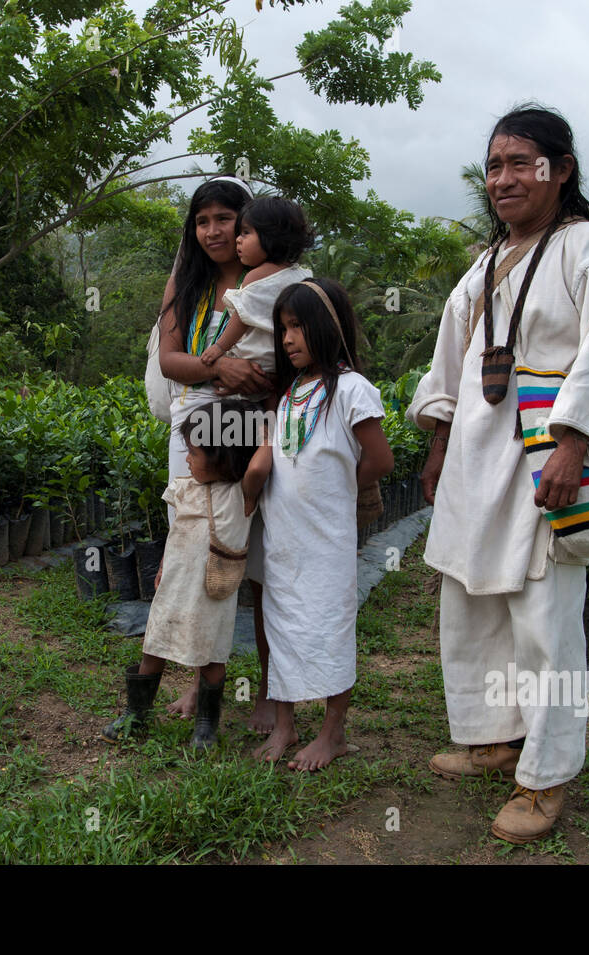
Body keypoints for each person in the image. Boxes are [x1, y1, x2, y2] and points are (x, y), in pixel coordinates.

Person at [407, 105, 589, 843]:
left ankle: (545, 777)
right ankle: (494, 737)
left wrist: (575, 445)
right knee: (472, 603)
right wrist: (438, 444)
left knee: (544, 621)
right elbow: (452, 361)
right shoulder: (481, 266)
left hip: (544, 461)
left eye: (520, 163)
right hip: (477, 460)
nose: (503, 178)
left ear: (560, 170)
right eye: (495, 165)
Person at [250, 278, 394, 771]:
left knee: (331, 628)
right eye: (283, 328)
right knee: (283, 625)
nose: (287, 338)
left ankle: (332, 733)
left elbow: (379, 459)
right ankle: (286, 725)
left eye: (297, 326)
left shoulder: (352, 388)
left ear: (325, 327)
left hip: (328, 540)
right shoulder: (290, 393)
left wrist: (340, 495)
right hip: (283, 539)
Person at [157, 176, 278, 732]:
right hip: (197, 435)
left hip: (257, 427)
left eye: (224, 219)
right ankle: (195, 684)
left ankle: (269, 693)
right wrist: (219, 366)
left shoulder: (272, 283)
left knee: (260, 565)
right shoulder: (187, 283)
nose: (212, 231)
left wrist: (245, 377)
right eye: (202, 221)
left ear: (246, 222)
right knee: (199, 552)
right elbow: (169, 361)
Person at [102, 399, 269, 749]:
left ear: (223, 454)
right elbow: (176, 533)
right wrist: (163, 566)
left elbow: (257, 468)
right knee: (154, 646)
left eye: (194, 452)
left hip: (212, 593)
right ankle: (137, 714)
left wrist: (264, 433)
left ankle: (206, 727)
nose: (188, 459)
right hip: (175, 586)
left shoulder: (242, 495)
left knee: (211, 657)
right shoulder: (184, 487)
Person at [199, 196, 313, 394]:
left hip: (258, 356)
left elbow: (241, 318)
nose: (238, 240)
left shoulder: (257, 276)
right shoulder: (303, 274)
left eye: (246, 233)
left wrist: (219, 348)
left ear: (270, 236)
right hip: (288, 359)